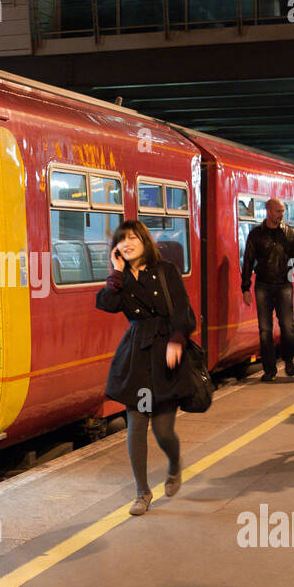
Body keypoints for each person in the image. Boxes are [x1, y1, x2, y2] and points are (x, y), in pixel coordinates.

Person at [96, 220, 195, 516]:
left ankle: (175, 465)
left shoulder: (166, 271)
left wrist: (178, 339)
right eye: (122, 240)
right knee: (136, 425)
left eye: (133, 238)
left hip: (166, 355)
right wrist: (115, 272)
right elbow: (106, 304)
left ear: (144, 241)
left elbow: (183, 311)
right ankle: (143, 492)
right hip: (138, 356)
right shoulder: (120, 279)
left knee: (164, 430)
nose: (127, 244)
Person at [240, 197, 294, 381]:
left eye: (283, 211)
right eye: (278, 211)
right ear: (269, 211)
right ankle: (270, 370)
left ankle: (289, 359)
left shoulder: (290, 233)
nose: (282, 215)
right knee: (265, 329)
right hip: (263, 285)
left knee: (287, 326)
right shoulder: (256, 235)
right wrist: (245, 287)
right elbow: (248, 260)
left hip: (284, 284)